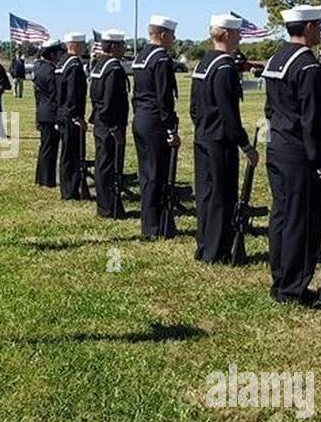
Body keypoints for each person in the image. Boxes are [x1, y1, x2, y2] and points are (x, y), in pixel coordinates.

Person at [262, 5, 321, 305]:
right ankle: (293, 286)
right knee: (300, 220)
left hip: (277, 145)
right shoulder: (307, 66)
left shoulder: (277, 58)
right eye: (318, 26)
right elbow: (312, 122)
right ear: (307, 28)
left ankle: (281, 277)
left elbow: (270, 110)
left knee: (281, 216)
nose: (320, 31)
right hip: (297, 153)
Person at [190, 14, 258, 263]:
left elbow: (194, 108)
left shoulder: (203, 63)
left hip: (204, 135)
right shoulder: (225, 67)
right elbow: (230, 114)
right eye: (238, 33)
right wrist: (246, 145)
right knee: (222, 195)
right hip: (220, 140)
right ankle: (217, 249)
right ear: (228, 35)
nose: (240, 37)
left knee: (206, 193)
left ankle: (204, 245)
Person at [133, 16, 181, 238]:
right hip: (155, 122)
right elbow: (164, 98)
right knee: (157, 174)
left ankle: (151, 222)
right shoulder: (161, 59)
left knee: (147, 174)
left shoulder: (141, 55)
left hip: (141, 118)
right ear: (162, 35)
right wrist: (170, 127)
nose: (174, 38)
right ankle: (155, 227)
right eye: (171, 34)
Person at [90, 31, 129, 218]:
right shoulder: (114, 69)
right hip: (110, 125)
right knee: (110, 166)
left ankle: (104, 204)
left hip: (99, 121)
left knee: (102, 163)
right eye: (122, 44)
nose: (124, 48)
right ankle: (109, 206)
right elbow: (110, 101)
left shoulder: (99, 65)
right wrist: (114, 128)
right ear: (113, 46)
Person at [56, 33, 90, 200]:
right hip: (71, 115)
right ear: (74, 45)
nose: (84, 47)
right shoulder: (74, 65)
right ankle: (70, 190)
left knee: (66, 153)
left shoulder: (62, 62)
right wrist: (77, 117)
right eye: (82, 44)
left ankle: (66, 186)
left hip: (61, 113)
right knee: (72, 154)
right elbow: (74, 93)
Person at [33, 38, 62, 187]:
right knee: (50, 147)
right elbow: (55, 94)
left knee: (45, 146)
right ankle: (47, 179)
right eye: (57, 53)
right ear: (51, 55)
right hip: (51, 112)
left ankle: (41, 177)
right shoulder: (51, 70)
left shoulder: (38, 67)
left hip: (42, 110)